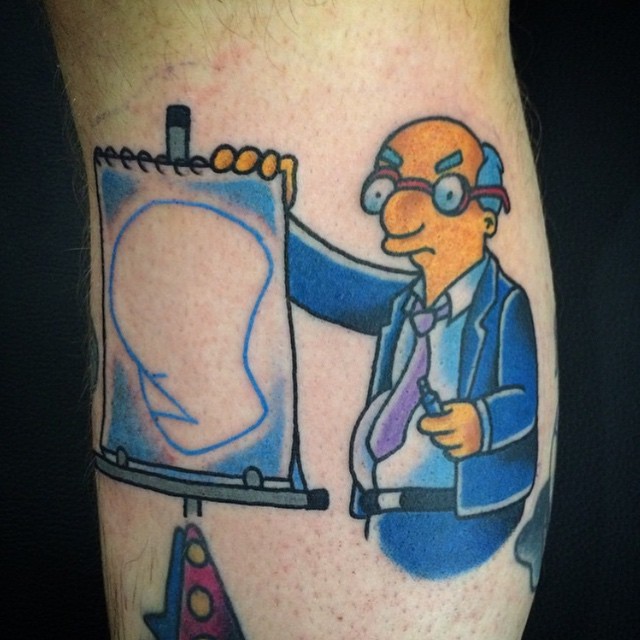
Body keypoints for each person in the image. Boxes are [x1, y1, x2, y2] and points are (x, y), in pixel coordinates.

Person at [45, 1, 557, 638]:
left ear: (483, 212)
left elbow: (520, 398)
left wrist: (481, 422)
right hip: (383, 521)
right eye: (387, 188)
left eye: (441, 194)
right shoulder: (407, 306)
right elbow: (332, 287)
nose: (398, 208)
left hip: (461, 526)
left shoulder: (500, 307)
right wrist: (265, 211)